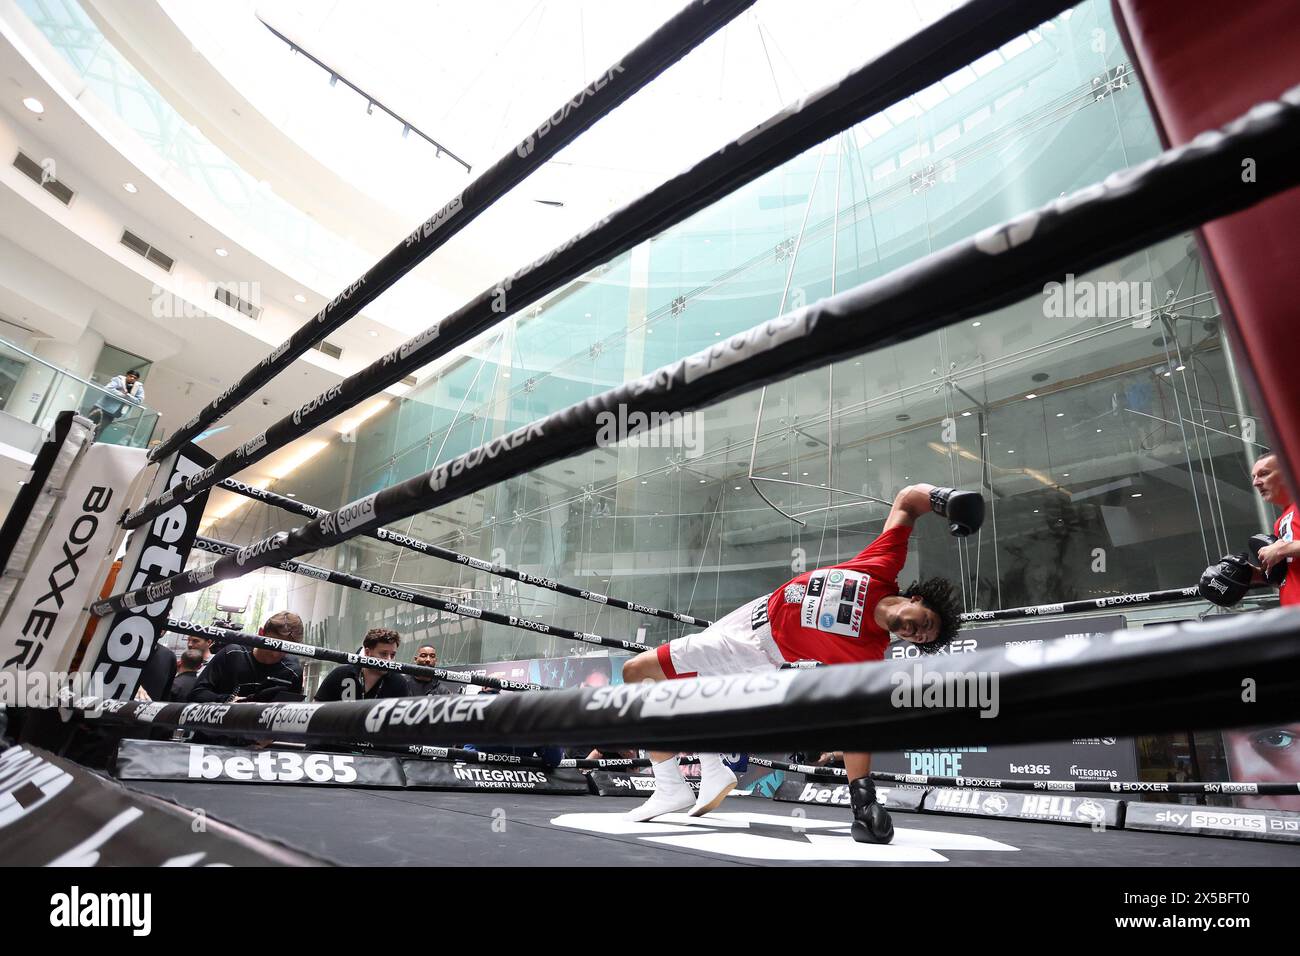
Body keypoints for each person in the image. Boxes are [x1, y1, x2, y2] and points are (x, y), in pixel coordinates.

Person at [620, 483, 981, 843]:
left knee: (636, 672)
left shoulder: (866, 653)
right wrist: (946, 499)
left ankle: (670, 785)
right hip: (749, 615)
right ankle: (712, 770)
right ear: (916, 598)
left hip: (750, 648)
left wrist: (863, 797)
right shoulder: (881, 566)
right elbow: (906, 501)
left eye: (922, 639)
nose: (918, 633)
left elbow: (855, 725)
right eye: (926, 623)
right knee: (685, 693)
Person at [190, 611, 306, 703]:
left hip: (259, 732)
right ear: (261, 633)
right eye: (272, 644)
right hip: (218, 730)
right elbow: (197, 693)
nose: (276, 653)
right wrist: (228, 701)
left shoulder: (293, 671)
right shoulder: (232, 654)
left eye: (286, 648)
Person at [1249, 452, 1298, 606]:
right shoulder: (1280, 521)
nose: (1256, 482)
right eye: (1254, 477)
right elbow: (1289, 576)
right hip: (1292, 617)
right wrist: (1254, 575)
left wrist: (1283, 549)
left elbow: (1284, 550)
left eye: (1264, 474)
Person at [316, 628, 411, 701]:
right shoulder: (341, 674)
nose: (389, 660)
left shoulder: (399, 683)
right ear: (367, 652)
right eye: (383, 654)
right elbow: (316, 709)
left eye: (393, 655)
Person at [87, 369, 145, 437]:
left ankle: (89, 444)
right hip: (101, 406)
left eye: (135, 378)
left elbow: (139, 401)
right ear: (127, 375)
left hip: (112, 413)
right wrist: (121, 394)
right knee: (87, 424)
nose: (132, 378)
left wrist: (127, 396)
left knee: (99, 430)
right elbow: (107, 388)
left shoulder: (138, 387)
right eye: (131, 376)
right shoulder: (118, 380)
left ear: (137, 379)